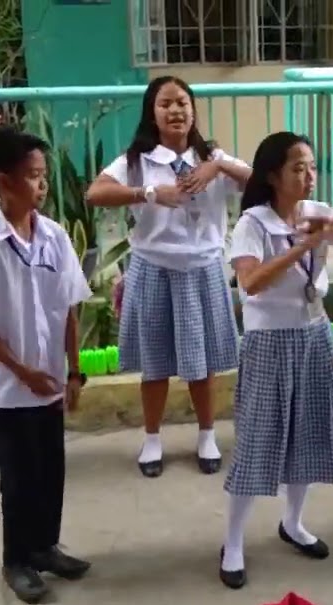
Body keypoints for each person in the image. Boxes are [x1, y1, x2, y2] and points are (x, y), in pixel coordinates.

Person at [220, 131, 333, 590]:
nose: (309, 176)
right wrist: (303, 246)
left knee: (307, 434)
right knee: (258, 443)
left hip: (314, 335)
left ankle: (293, 522)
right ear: (273, 175)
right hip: (270, 341)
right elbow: (251, 282)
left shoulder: (317, 212)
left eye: (311, 167)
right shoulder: (253, 223)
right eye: (298, 168)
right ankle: (233, 542)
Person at [0, 126, 94, 604]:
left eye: (43, 174)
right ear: (4, 181)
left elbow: (69, 305)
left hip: (49, 380)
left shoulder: (54, 236)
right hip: (7, 387)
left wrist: (73, 371)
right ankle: (16, 560)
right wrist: (22, 371)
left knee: (51, 469)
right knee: (18, 478)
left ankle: (44, 547)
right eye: (33, 176)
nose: (42, 184)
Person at [86, 76, 251, 478]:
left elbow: (259, 180)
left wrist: (216, 166)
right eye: (165, 104)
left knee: (203, 363)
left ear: (193, 109)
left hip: (202, 269)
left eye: (182, 102)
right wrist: (148, 193)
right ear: (152, 112)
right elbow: (95, 193)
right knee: (155, 363)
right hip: (154, 269)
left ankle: (207, 435)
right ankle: (152, 439)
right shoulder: (138, 161)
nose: (175, 110)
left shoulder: (212, 156)